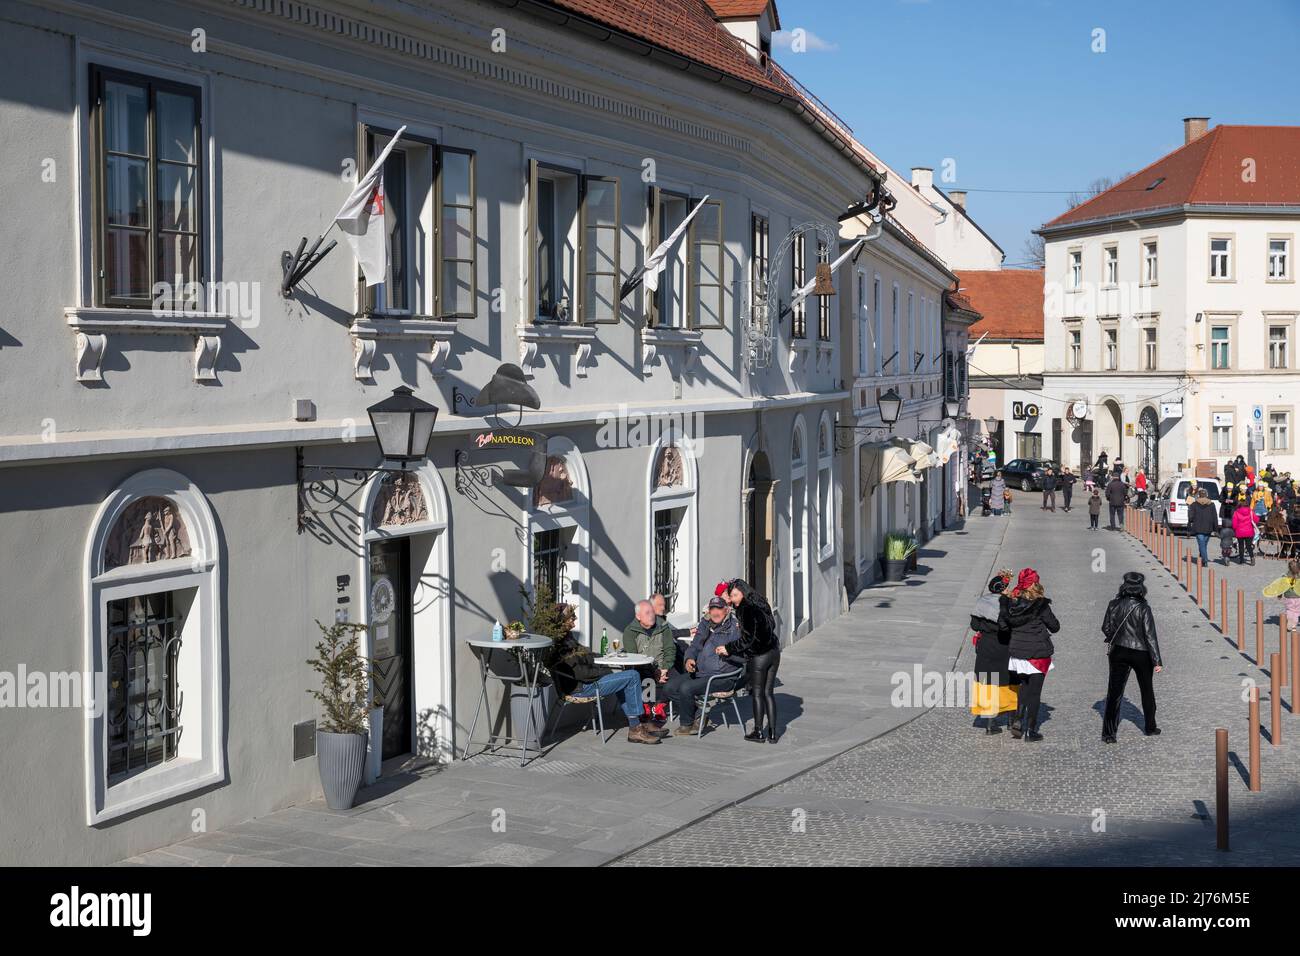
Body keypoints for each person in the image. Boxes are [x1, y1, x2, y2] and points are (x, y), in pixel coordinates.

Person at [548, 633, 663, 744]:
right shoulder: (563, 647)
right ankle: (638, 725)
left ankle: (637, 724)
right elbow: (582, 673)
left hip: (585, 684)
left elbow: (586, 655)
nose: (574, 620)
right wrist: (602, 671)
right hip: (582, 688)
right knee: (632, 675)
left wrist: (603, 657)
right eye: (570, 617)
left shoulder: (567, 640)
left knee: (624, 680)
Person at [668, 596, 745, 735]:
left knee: (686, 688)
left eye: (719, 609)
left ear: (726, 610)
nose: (715, 612)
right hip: (701, 672)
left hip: (721, 677)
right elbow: (695, 645)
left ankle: (686, 724)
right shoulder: (705, 624)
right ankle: (699, 713)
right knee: (670, 688)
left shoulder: (735, 628)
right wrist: (689, 659)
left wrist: (729, 652)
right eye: (712, 609)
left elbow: (745, 657)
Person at [1100, 572, 1163, 743]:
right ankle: (1150, 727)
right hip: (1141, 653)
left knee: (1114, 692)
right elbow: (1150, 636)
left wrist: (1116, 636)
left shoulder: (1113, 604)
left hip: (1118, 651)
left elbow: (1105, 628)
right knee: (1146, 691)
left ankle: (1109, 734)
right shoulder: (1144, 608)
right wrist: (1157, 661)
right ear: (1141, 587)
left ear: (1124, 586)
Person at [999, 568, 1060, 742]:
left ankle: (1018, 720)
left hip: (1019, 653)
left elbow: (1004, 624)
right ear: (1034, 584)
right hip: (1038, 653)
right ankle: (1031, 730)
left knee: (1024, 688)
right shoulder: (1041, 605)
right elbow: (1055, 626)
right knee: (1035, 693)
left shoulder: (1012, 604)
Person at [716, 578, 781, 742]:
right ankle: (773, 733)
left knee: (758, 694)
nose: (733, 599)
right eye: (731, 596)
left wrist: (728, 648)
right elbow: (770, 626)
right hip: (774, 652)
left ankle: (758, 732)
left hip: (759, 656)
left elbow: (748, 640)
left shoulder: (745, 608)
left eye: (735, 595)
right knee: (769, 694)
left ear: (743, 593)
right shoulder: (760, 601)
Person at [969, 569, 1018, 734]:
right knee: (1010, 682)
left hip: (986, 649)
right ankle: (1012, 721)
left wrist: (986, 627)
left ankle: (990, 724)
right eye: (1006, 587)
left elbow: (975, 625)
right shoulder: (1009, 604)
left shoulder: (982, 603)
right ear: (1002, 589)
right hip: (1005, 647)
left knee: (988, 682)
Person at [621, 599, 677, 726]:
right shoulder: (630, 631)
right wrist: (655, 672)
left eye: (652, 612)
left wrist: (665, 668)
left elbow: (670, 649)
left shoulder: (663, 626)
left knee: (678, 680)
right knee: (646, 679)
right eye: (647, 613)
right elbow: (634, 658)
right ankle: (647, 708)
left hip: (663, 666)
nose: (651, 615)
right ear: (638, 616)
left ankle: (659, 705)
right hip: (643, 667)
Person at [1263, 560, 1300, 632]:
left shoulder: (1285, 577)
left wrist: (1279, 595)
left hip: (1288, 597)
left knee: (1290, 610)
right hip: (1298, 597)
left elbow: (1281, 587)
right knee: (1296, 611)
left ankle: (1289, 621)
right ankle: (1294, 625)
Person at [1187, 488, 1218, 567]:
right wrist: (1216, 529)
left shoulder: (1194, 504)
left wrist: (1190, 520)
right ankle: (1203, 559)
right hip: (1208, 527)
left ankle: (1204, 559)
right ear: (1206, 495)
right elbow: (1215, 517)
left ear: (1199, 495)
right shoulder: (1211, 504)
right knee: (1203, 544)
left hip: (1198, 527)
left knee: (1202, 544)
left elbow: (1191, 517)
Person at [1232, 498, 1259, 565]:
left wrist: (1235, 529)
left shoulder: (1236, 512)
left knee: (1241, 546)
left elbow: (1234, 524)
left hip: (1239, 532)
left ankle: (1241, 560)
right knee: (1248, 546)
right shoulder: (1250, 511)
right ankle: (1252, 558)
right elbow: (1256, 520)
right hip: (1249, 532)